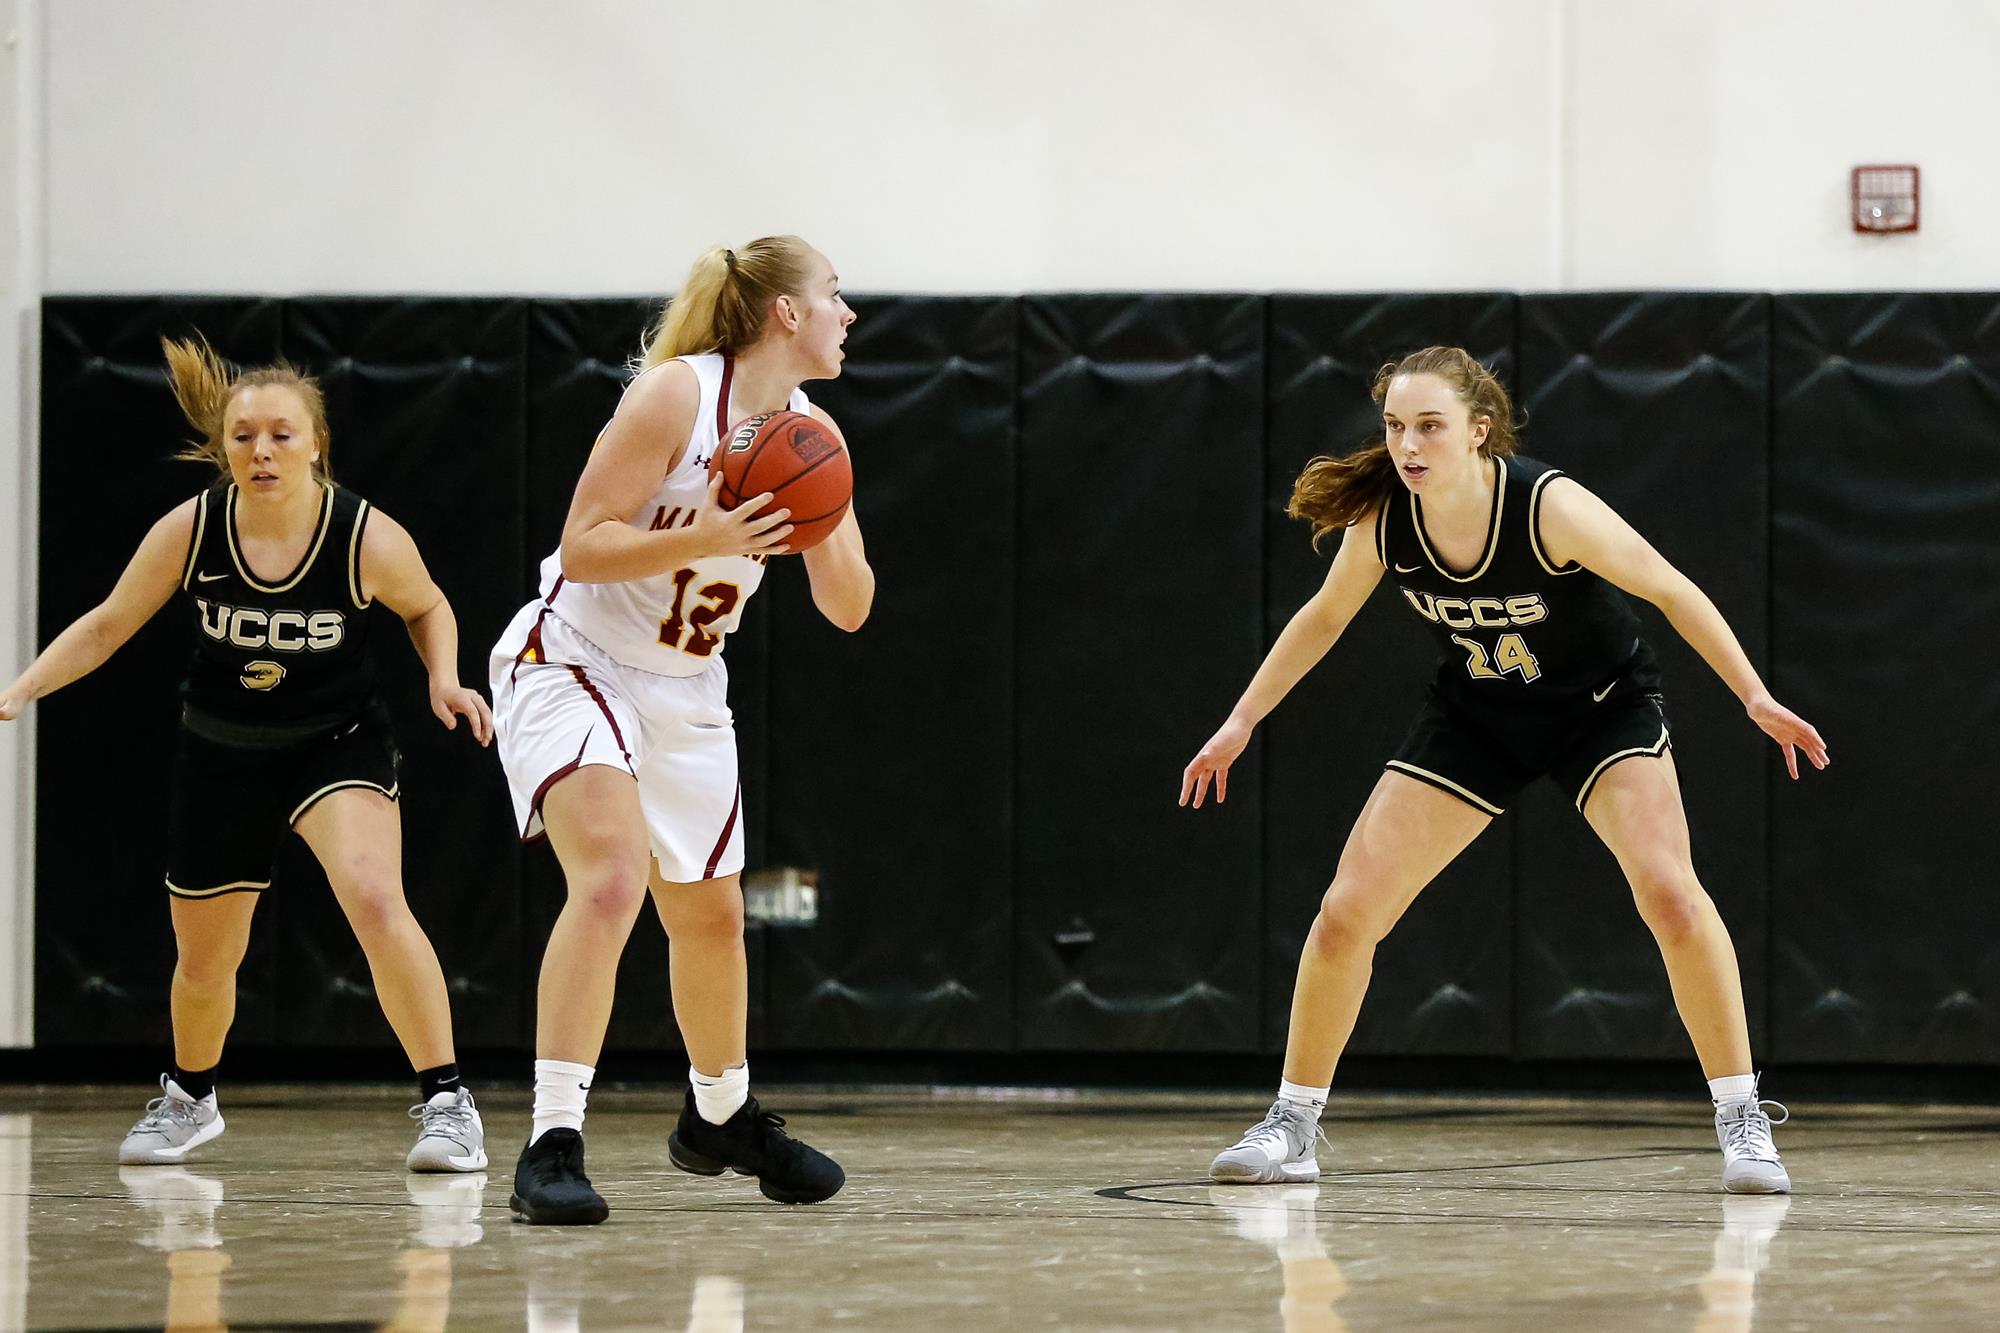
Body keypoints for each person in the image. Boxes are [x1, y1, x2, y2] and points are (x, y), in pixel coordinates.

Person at [1182, 346, 1825, 1195]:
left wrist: (1754, 694)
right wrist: (1240, 720)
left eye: (1429, 426)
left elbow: (1671, 589)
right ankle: (1292, 1125)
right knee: (1346, 911)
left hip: (1600, 709)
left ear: (1479, 430)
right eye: (1395, 426)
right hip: (1478, 716)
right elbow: (1323, 617)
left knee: (1670, 892)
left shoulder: (1547, 506)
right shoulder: (1386, 520)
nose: (1408, 445)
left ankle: (1742, 1117)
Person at [0, 336, 493, 1173]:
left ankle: (450, 1104)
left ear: (316, 445)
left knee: (375, 897)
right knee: (205, 958)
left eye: (280, 435)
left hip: (335, 742)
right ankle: (191, 1099)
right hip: (223, 750)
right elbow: (108, 623)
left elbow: (428, 604)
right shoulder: (192, 529)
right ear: (225, 448)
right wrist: (21, 688)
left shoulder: (362, 534)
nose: (262, 450)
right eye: (244, 436)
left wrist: (443, 676)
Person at [492, 235, 872, 1224]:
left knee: (711, 918)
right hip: (575, 658)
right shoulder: (676, 395)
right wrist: (711, 531)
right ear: (786, 312)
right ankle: (551, 1140)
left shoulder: (812, 432)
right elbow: (582, 544)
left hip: (686, 685)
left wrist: (817, 509)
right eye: (835, 294)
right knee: (611, 878)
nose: (848, 314)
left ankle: (719, 1115)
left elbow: (850, 607)